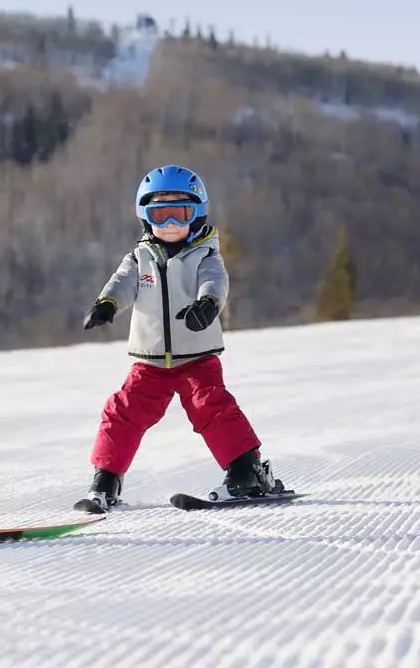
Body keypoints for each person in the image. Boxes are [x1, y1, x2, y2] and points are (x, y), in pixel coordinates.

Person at [75, 165, 284, 512]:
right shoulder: (139, 258)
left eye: (180, 213)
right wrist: (107, 304)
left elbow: (215, 282)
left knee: (211, 407)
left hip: (196, 358)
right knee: (122, 411)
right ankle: (106, 479)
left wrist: (207, 305)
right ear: (146, 217)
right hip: (150, 362)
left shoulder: (205, 255)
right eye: (161, 214)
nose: (170, 223)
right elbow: (122, 283)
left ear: (197, 214)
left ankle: (246, 471)